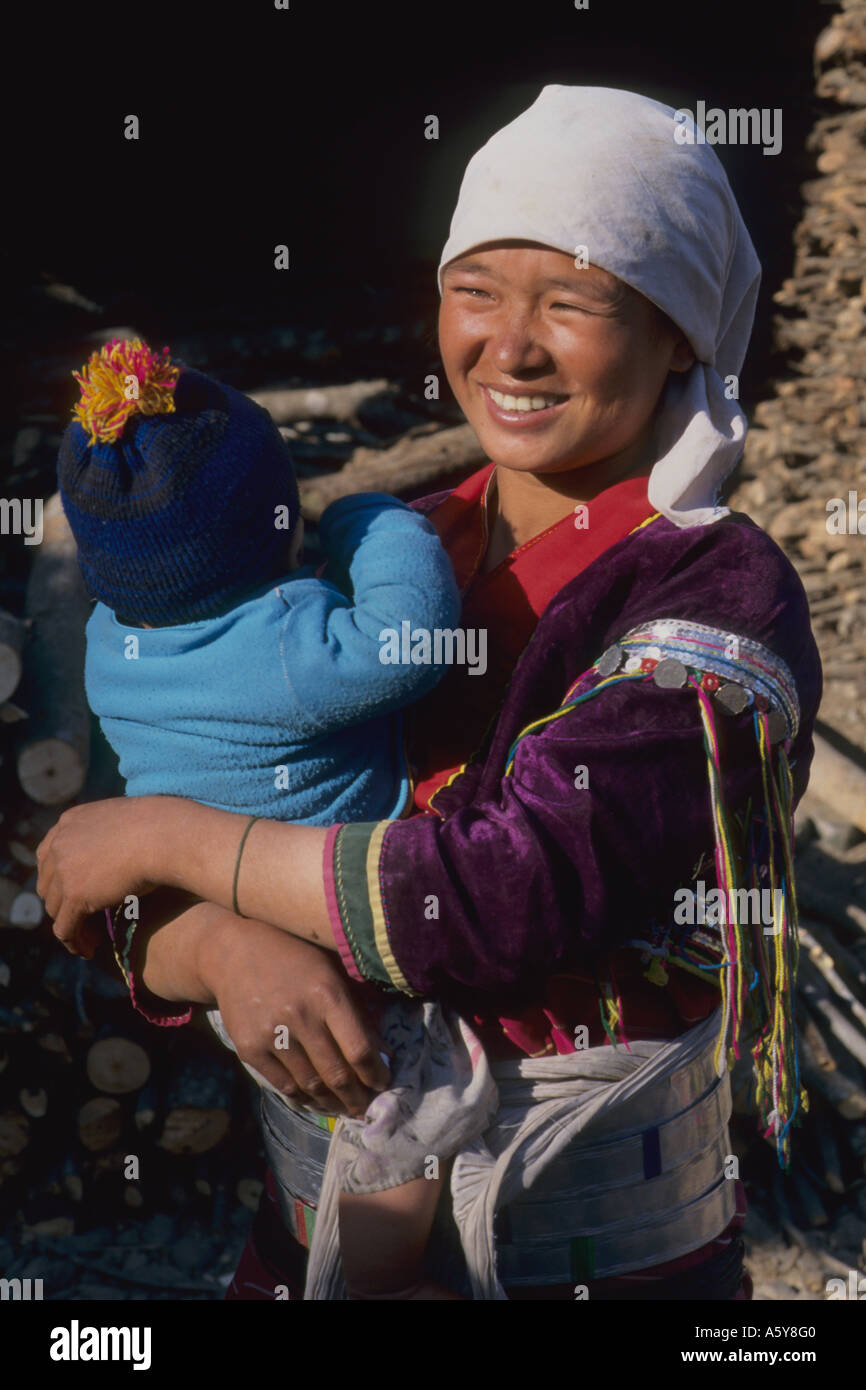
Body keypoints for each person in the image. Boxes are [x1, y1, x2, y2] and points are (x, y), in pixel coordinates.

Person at [38, 85, 822, 1301]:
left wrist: (168, 839)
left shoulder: (712, 596)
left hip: (596, 1262)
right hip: (317, 1243)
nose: (507, 347)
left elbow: (505, 896)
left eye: (571, 304)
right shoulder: (392, 552)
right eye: (475, 293)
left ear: (679, 332)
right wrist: (222, 944)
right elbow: (129, 883)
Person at [53, 339, 497, 1300]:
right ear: (276, 526)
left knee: (341, 1122)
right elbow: (410, 644)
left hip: (221, 947)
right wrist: (372, 522)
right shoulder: (291, 645)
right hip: (337, 947)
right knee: (402, 1114)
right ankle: (380, 1284)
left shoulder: (107, 643)